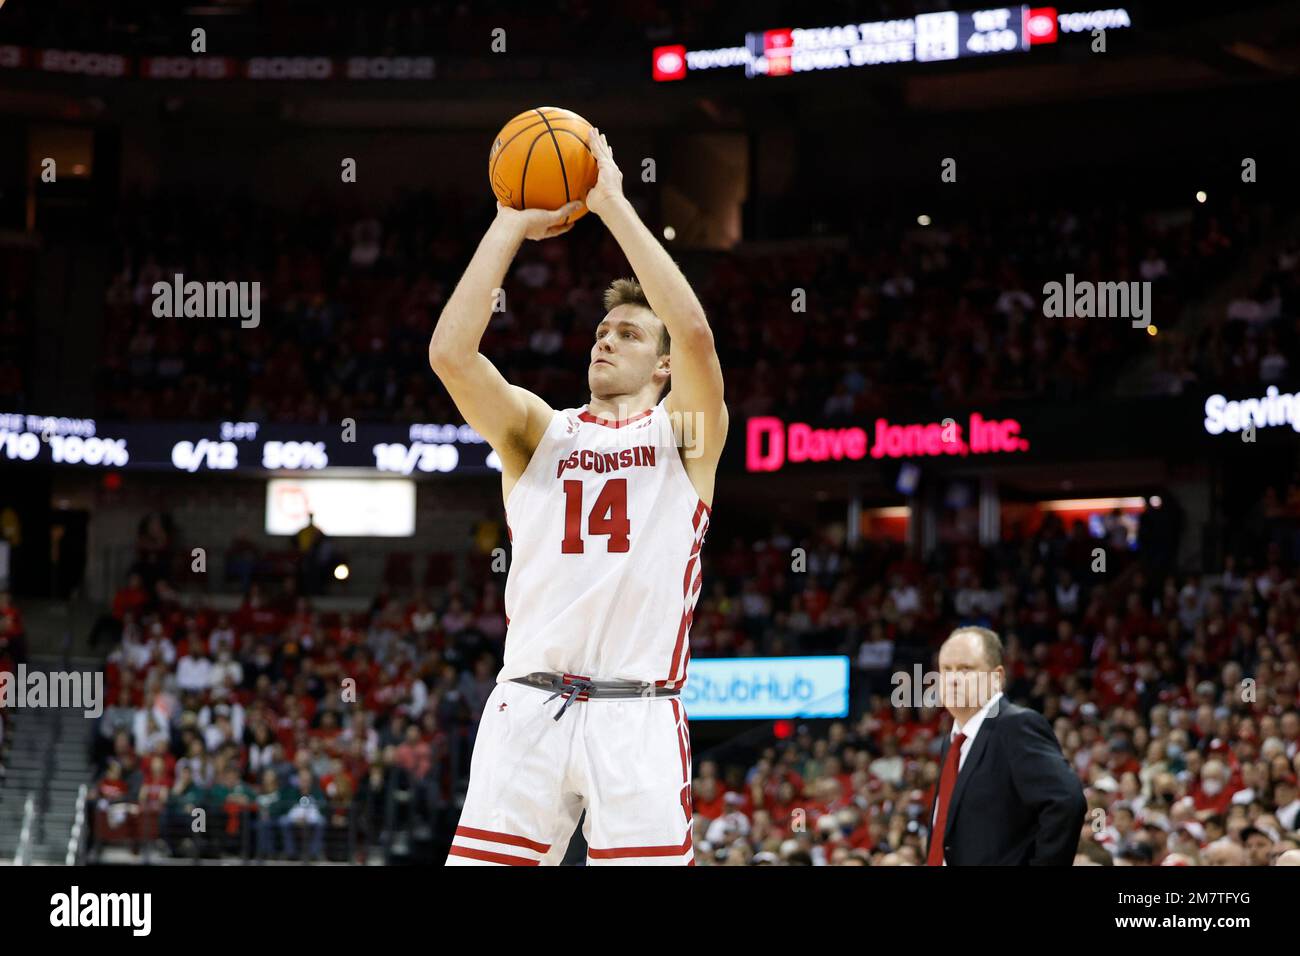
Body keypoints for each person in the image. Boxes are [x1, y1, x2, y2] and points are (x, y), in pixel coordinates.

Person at [430, 126, 727, 866]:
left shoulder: (685, 435)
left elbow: (693, 332)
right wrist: (509, 221)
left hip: (639, 712)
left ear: (661, 368)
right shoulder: (539, 430)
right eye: (601, 329)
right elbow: (450, 356)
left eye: (627, 333)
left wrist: (612, 202)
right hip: (528, 703)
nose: (605, 340)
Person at [925, 626, 1087, 865]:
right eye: (946, 670)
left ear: (996, 678)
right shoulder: (953, 741)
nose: (953, 680)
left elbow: (1066, 802)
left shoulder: (1015, 725)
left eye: (965, 669)